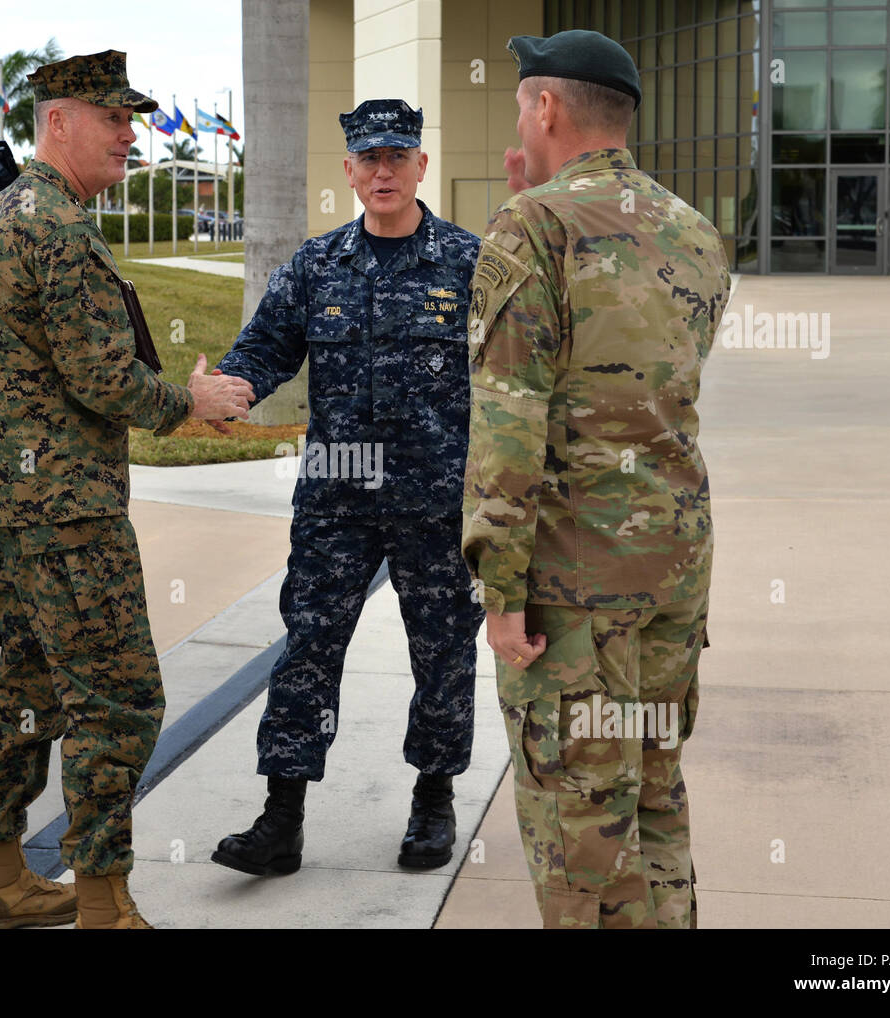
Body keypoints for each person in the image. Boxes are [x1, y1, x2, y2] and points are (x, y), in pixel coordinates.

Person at [0, 49, 253, 930]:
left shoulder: (4, 211)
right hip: (71, 512)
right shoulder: (59, 227)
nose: (130, 134)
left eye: (132, 117)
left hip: (17, 506)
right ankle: (103, 902)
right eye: (114, 117)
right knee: (118, 698)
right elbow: (104, 378)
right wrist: (187, 401)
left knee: (30, 688)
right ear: (58, 122)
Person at [461, 30, 732, 929]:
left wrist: (499, 589)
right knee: (654, 798)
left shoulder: (532, 224)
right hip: (671, 573)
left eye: (520, 106)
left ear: (547, 107)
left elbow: (510, 416)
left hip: (575, 586)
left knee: (582, 822)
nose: (520, 123)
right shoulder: (695, 234)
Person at [210, 99, 484, 877]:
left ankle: (434, 801)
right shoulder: (316, 264)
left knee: (442, 653)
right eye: (370, 158)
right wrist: (233, 389)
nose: (384, 170)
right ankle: (281, 818)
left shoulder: (469, 262)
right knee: (308, 649)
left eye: (398, 154)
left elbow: (507, 376)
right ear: (350, 172)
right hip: (337, 499)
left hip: (436, 501)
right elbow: (265, 348)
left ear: (422, 165)